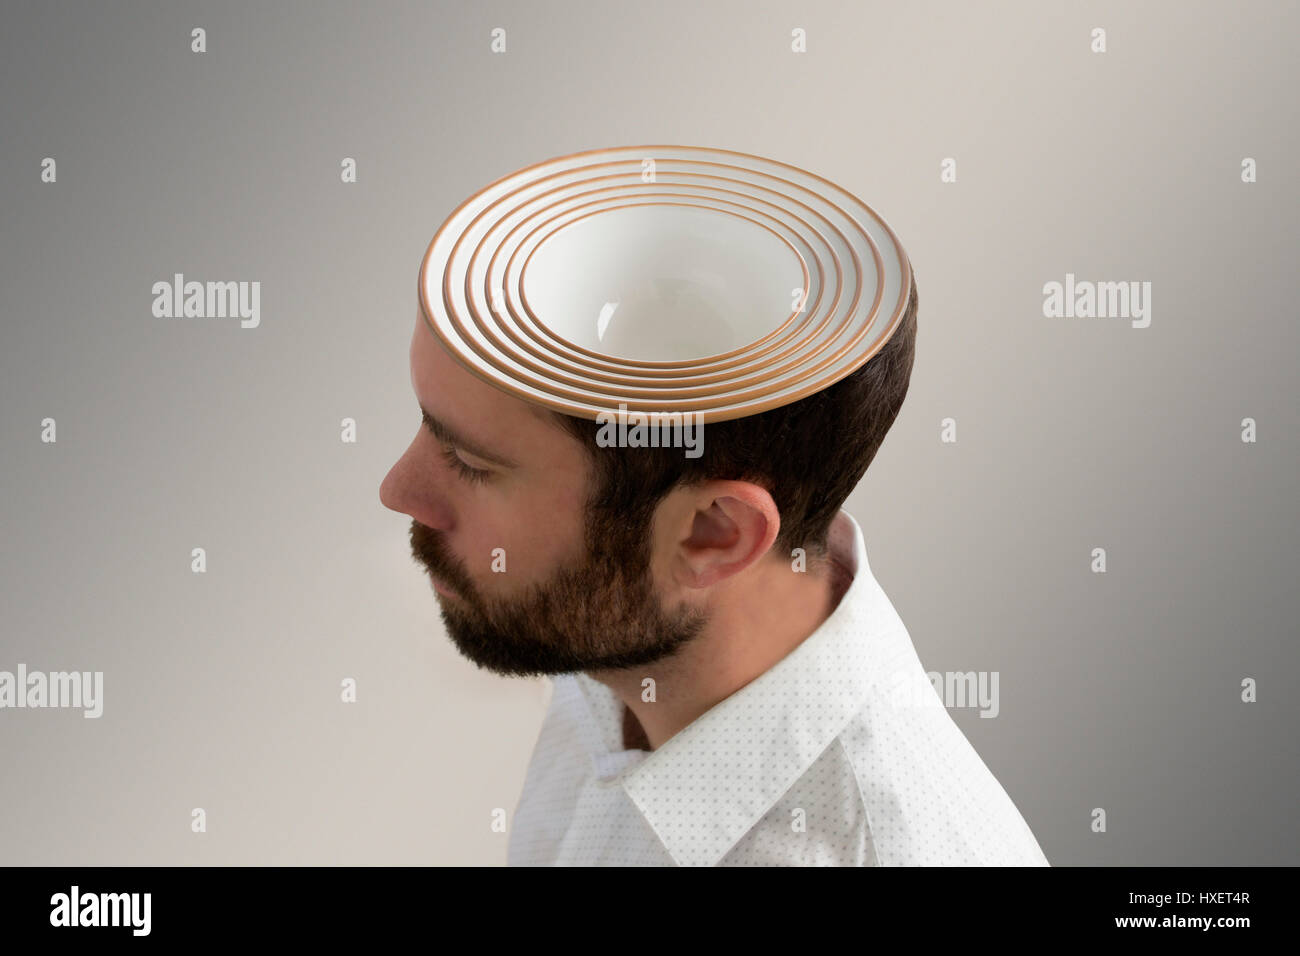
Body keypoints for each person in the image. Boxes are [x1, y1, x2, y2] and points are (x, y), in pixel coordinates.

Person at [380, 274, 1050, 865]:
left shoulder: (898, 847)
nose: (398, 489)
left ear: (714, 534)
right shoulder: (619, 632)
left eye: (472, 464)